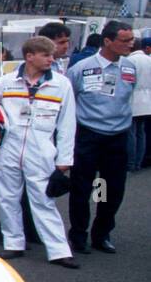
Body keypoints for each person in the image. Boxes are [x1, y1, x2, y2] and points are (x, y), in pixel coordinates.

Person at [0, 36, 78, 269]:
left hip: (41, 150)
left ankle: (59, 250)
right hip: (9, 147)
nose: (51, 59)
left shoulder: (61, 84)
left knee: (43, 199)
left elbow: (68, 124)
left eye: (51, 55)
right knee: (7, 197)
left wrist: (64, 160)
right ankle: (13, 243)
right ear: (30, 56)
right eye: (46, 55)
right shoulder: (7, 81)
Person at [65, 20, 137, 254]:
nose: (130, 44)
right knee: (82, 188)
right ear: (107, 41)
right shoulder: (81, 68)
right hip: (88, 136)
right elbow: (69, 101)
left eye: (131, 39)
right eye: (125, 40)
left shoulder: (130, 67)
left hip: (117, 137)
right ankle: (78, 235)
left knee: (110, 189)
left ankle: (102, 233)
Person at [126, 34, 151, 172]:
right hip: (147, 101)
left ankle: (130, 163)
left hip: (133, 100)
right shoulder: (148, 60)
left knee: (131, 133)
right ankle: (138, 162)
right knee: (141, 133)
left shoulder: (130, 61)